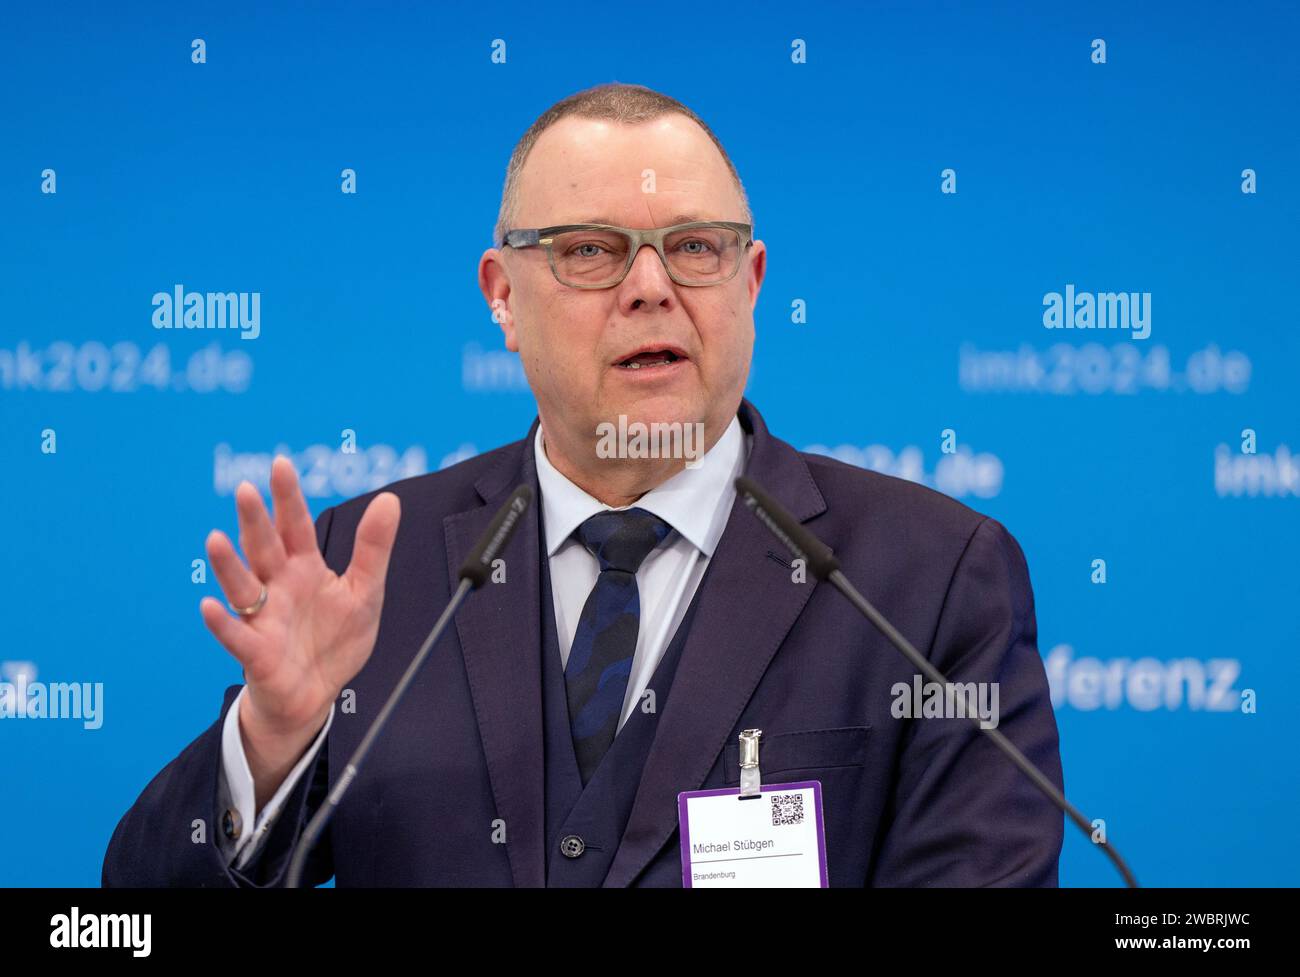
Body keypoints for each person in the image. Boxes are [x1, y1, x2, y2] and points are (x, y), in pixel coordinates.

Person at [102, 82, 1063, 887]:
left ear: (752, 280)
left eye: (694, 246)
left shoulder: (928, 578)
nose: (651, 286)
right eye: (590, 250)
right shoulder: (374, 565)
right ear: (502, 295)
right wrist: (272, 742)